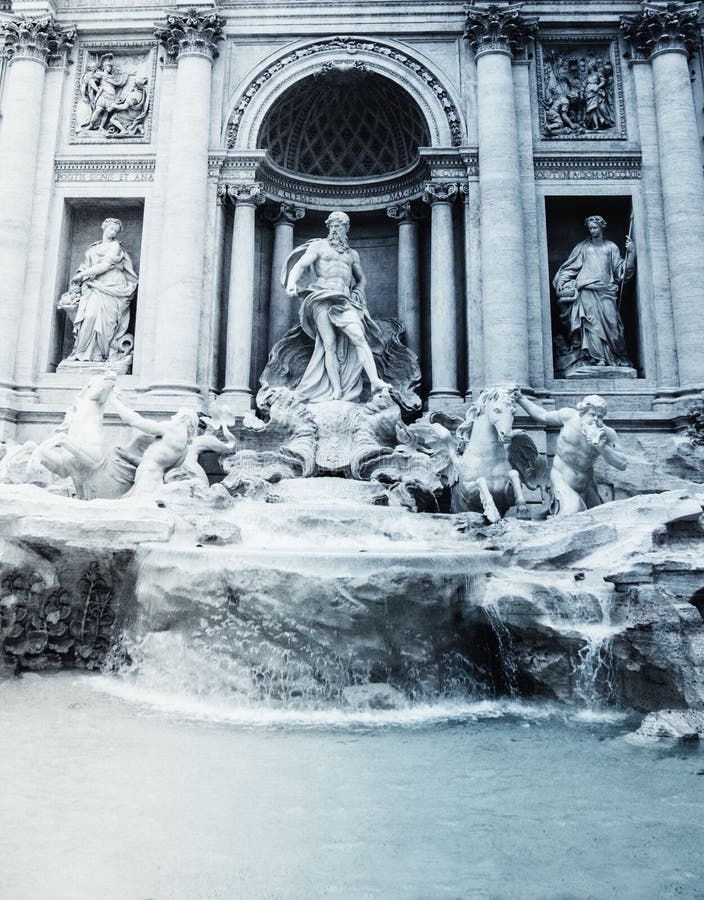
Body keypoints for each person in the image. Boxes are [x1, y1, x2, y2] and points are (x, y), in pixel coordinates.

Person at [282, 211, 390, 402]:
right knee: (328, 344)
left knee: (359, 336)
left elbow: (361, 278)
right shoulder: (319, 246)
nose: (334, 229)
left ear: (346, 228)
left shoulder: (352, 254)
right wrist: (292, 282)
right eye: (331, 225)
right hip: (321, 296)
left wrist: (359, 291)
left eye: (338, 225)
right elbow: (300, 265)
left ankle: (374, 381)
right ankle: (337, 390)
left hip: (344, 300)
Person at [513, 390, 627, 516]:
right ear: (582, 413)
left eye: (600, 417)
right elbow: (542, 415)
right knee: (571, 512)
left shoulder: (608, 433)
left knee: (598, 518)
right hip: (561, 479)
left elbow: (622, 464)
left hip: (587, 485)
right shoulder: (569, 417)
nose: (596, 420)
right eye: (592, 414)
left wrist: (602, 448)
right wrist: (521, 399)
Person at [553, 215, 635, 374]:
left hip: (606, 290)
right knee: (591, 325)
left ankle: (614, 357)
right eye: (590, 228)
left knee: (613, 325)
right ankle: (596, 358)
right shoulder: (582, 247)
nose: (592, 230)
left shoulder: (611, 247)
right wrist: (563, 281)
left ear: (602, 228)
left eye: (595, 227)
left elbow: (621, 273)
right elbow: (570, 268)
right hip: (586, 289)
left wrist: (631, 253)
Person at [62, 218, 138, 364]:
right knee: (89, 316)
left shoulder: (115, 246)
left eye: (115, 231)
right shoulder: (93, 248)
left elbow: (104, 266)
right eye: (110, 229)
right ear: (104, 227)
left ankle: (100, 354)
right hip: (94, 286)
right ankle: (82, 352)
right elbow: (86, 265)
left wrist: (81, 275)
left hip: (112, 286)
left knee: (107, 322)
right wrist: (82, 275)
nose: (112, 232)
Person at [108, 394, 200, 496]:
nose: (172, 417)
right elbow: (155, 462)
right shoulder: (185, 448)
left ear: (184, 418)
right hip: (154, 479)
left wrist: (113, 401)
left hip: (148, 478)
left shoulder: (173, 428)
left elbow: (136, 421)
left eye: (176, 415)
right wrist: (128, 457)